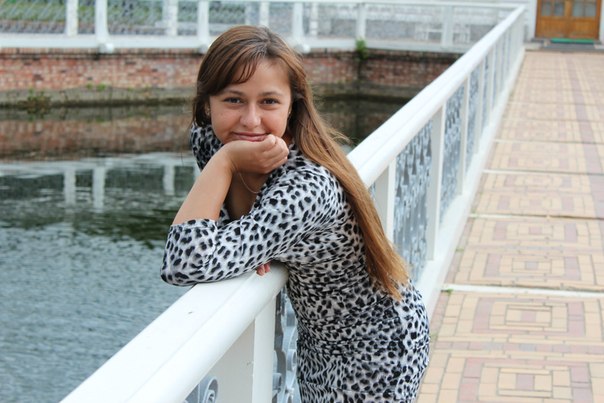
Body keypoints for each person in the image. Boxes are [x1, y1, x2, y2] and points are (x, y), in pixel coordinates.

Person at [160, 25, 430, 402]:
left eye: (269, 102)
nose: (250, 120)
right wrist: (250, 237)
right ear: (207, 104)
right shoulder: (209, 139)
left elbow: (184, 263)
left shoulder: (304, 187)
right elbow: (219, 222)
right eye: (233, 100)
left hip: (376, 348)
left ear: (293, 105)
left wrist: (226, 163)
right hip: (319, 339)